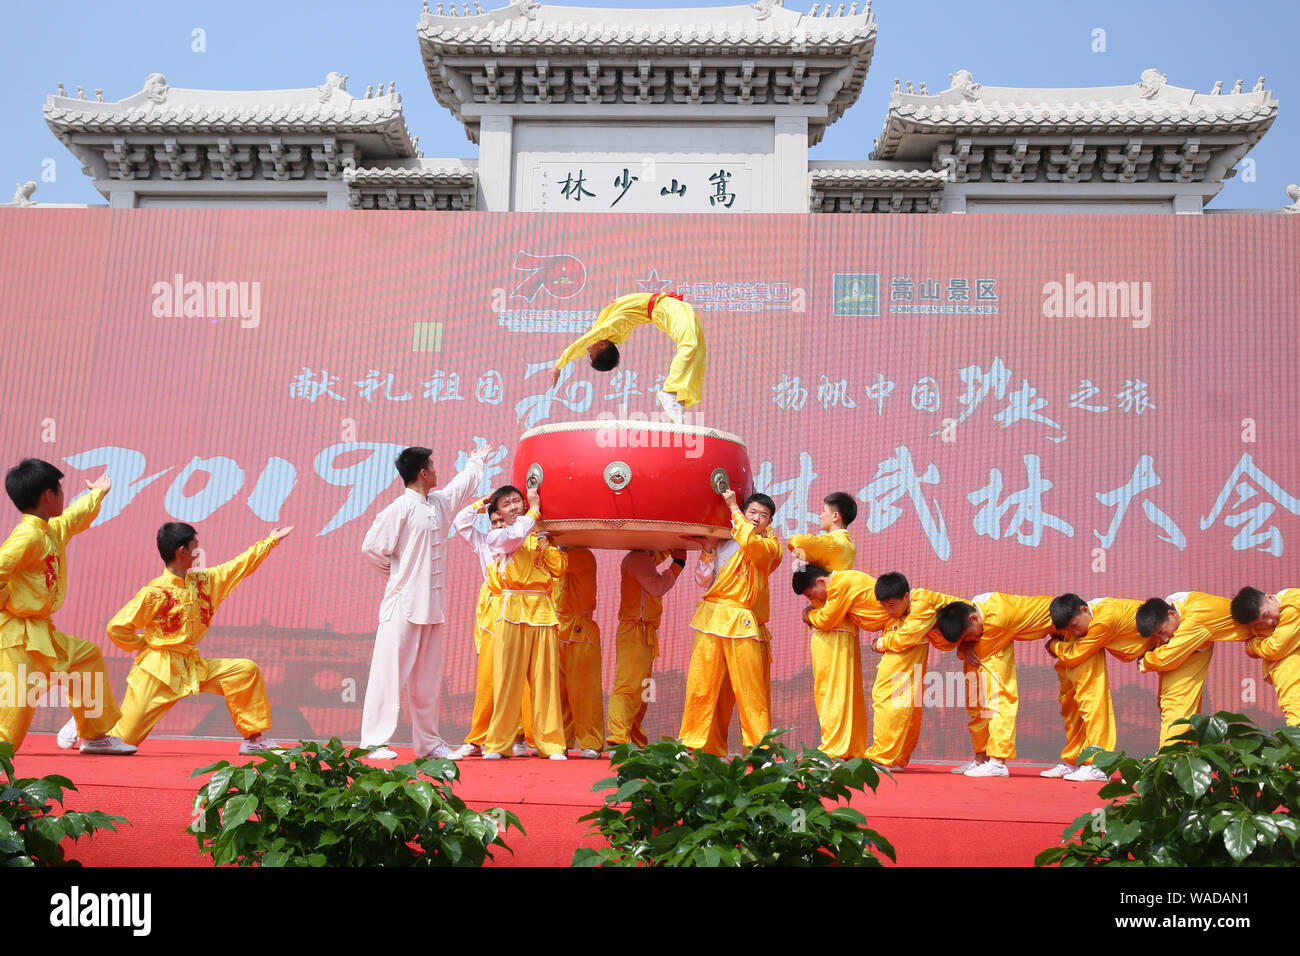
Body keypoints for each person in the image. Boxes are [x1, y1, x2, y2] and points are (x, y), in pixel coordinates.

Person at [92, 522, 291, 753]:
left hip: (191, 665)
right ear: (182, 551)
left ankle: (254, 740)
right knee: (122, 741)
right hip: (158, 670)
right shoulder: (156, 592)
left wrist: (270, 541)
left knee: (244, 671)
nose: (198, 551)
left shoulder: (204, 582)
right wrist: (145, 645)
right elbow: (117, 627)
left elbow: (239, 566)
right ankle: (88, 728)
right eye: (195, 547)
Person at [360, 444, 491, 759]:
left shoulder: (439, 503)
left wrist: (477, 461)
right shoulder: (399, 508)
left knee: (428, 682)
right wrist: (398, 577)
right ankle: (373, 742)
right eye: (432, 465)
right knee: (389, 676)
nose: (436, 470)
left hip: (432, 607)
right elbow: (372, 548)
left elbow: (463, 484)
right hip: (402, 607)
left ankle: (429, 744)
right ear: (423, 472)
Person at [0, 459, 132, 754]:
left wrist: (97, 494)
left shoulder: (50, 529)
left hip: (39, 633)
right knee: (13, 713)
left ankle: (94, 735)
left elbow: (75, 516)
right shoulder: (28, 535)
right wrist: (5, 599)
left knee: (86, 657)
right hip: (17, 639)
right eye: (60, 490)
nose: (63, 496)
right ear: (48, 496)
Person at [678, 490, 780, 755]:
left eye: (763, 515)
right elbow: (703, 581)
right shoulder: (724, 542)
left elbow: (750, 543)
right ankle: (695, 745)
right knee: (701, 686)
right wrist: (709, 550)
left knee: (750, 689)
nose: (757, 518)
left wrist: (733, 506)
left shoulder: (769, 547)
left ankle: (760, 750)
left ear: (769, 522)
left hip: (742, 620)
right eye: (752, 512)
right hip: (711, 617)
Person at [483, 486, 568, 759]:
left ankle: (551, 744)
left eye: (517, 501)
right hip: (511, 610)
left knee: (546, 680)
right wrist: (533, 509)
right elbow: (515, 536)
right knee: (508, 679)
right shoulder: (498, 536)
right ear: (498, 512)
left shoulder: (539, 537)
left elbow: (559, 568)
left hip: (542, 611)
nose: (514, 507)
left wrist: (544, 541)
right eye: (507, 504)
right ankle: (498, 744)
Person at [935, 593, 1057, 777]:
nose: (969, 640)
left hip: (1063, 622)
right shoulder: (975, 612)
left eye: (968, 635)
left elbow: (979, 651)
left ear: (974, 618)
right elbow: (970, 647)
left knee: (998, 701)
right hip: (1007, 636)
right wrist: (963, 646)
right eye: (964, 639)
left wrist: (963, 649)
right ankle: (981, 759)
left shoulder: (998, 619)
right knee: (981, 706)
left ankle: (998, 762)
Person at [787, 492, 866, 759]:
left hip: (829, 626)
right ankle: (849, 748)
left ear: (836, 516)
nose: (819, 515)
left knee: (830, 690)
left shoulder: (835, 542)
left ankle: (833, 749)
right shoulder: (844, 545)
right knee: (844, 690)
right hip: (842, 625)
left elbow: (795, 541)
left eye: (823, 510)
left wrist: (803, 560)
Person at [1043, 595, 1152, 782]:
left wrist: (1054, 644)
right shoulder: (1090, 619)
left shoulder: (1103, 621)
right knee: (1076, 705)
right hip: (1141, 647)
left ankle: (1100, 765)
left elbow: (1075, 654)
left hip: (1165, 642)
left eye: (1076, 625)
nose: (1076, 632)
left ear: (1085, 610)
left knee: (1094, 706)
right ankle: (1075, 760)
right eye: (1069, 629)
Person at [551, 291, 705, 423]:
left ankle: (676, 397)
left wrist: (559, 363)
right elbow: (584, 343)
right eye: (590, 353)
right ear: (603, 346)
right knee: (691, 346)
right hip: (667, 309)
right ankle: (675, 395)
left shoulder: (608, 328)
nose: (588, 348)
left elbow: (582, 342)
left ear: (602, 345)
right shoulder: (612, 329)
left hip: (668, 307)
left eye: (589, 353)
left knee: (696, 350)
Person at [790, 564, 892, 759]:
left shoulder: (838, 585)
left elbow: (827, 620)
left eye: (811, 594)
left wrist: (809, 614)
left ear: (821, 581)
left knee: (832, 694)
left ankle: (834, 750)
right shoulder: (842, 581)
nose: (812, 600)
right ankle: (852, 750)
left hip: (893, 629)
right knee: (847, 695)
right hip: (887, 628)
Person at [868, 572, 965, 770]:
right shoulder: (909, 608)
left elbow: (906, 638)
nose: (888, 611)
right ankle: (896, 758)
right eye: (884, 606)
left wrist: (880, 643)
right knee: (906, 700)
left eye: (892, 605)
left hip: (974, 634)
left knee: (889, 697)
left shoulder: (921, 605)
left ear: (906, 596)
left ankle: (881, 758)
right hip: (955, 638)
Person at [1136, 592, 1251, 749]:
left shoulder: (1196, 617)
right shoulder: (1175, 607)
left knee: (1176, 706)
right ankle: (1179, 755)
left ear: (1171, 614)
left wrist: (1145, 662)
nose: (1163, 639)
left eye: (1163, 631)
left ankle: (1170, 760)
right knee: (1173, 701)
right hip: (1201, 641)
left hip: (1268, 634)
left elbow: (1168, 657)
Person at [608, 549, 686, 750]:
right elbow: (657, 587)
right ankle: (619, 737)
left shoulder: (646, 557)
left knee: (641, 689)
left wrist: (671, 550)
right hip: (634, 630)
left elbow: (655, 558)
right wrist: (678, 562)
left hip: (644, 632)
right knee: (628, 686)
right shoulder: (638, 557)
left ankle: (633, 740)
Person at [555, 545, 604, 757]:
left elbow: (556, 566)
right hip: (557, 628)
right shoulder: (556, 553)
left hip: (580, 630)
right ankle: (561, 741)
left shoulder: (581, 554)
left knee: (584, 691)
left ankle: (590, 741)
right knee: (559, 692)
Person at [1232, 587, 1300, 725]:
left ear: (1270, 597)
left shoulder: (1293, 605)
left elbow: (1274, 649)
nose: (1269, 622)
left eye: (1266, 615)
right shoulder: (1268, 618)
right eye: (1258, 624)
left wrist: (1254, 644)